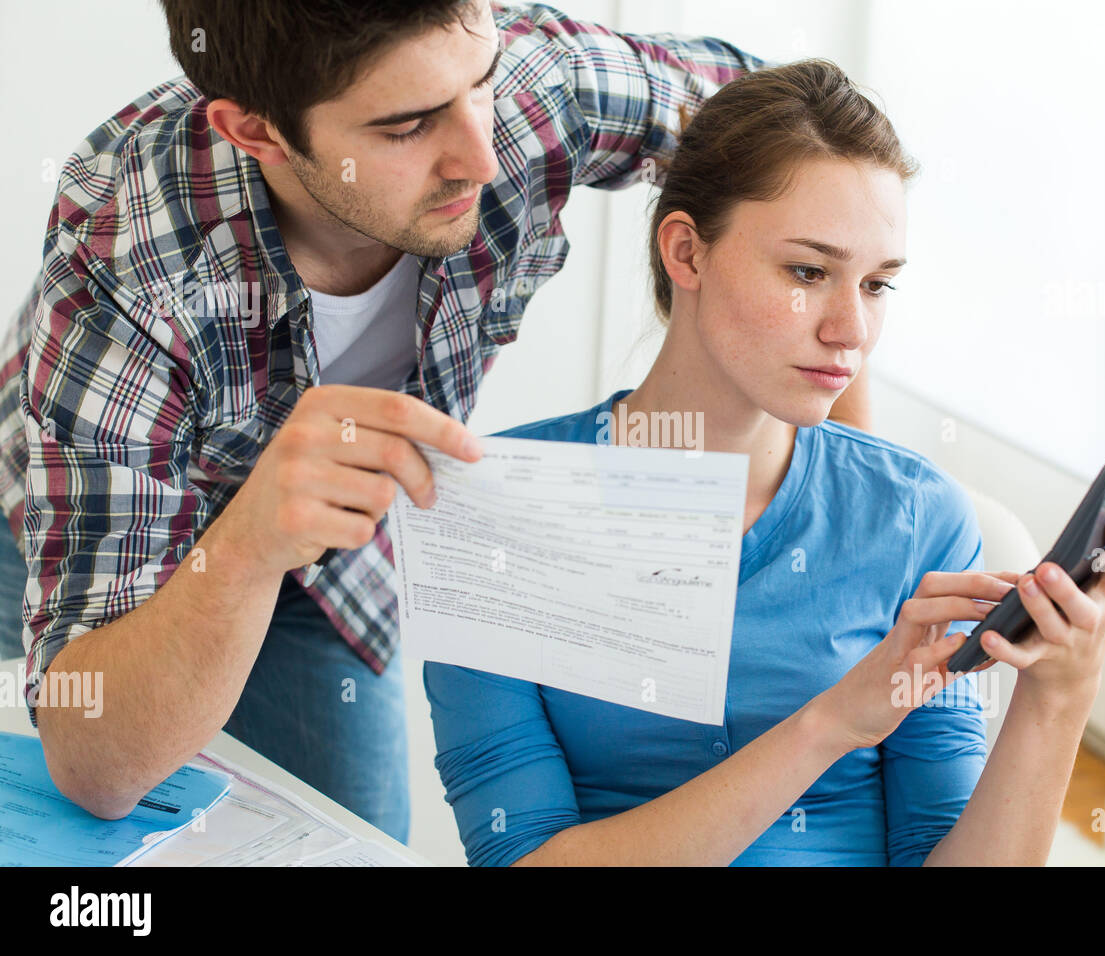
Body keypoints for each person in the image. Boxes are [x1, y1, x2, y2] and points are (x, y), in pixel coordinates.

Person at [0, 1, 886, 840]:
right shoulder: (129, 250)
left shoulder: (540, 94)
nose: (483, 156)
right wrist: (243, 546)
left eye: (482, 81)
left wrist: (864, 503)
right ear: (256, 131)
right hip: (82, 535)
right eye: (407, 125)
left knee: (358, 846)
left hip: (335, 559)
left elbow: (809, 149)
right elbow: (96, 766)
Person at [423, 58, 1105, 866]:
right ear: (687, 253)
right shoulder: (500, 505)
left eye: (876, 285)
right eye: (808, 272)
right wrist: (830, 724)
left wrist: (1062, 692)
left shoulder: (916, 518)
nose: (852, 330)